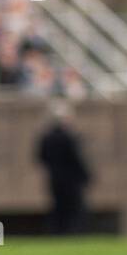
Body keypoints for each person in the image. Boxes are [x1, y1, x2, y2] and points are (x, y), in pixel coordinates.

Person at [36, 100, 92, 235]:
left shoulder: (46, 137)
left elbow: (40, 157)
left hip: (54, 178)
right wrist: (86, 175)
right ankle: (73, 233)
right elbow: (77, 158)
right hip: (71, 180)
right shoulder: (69, 137)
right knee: (74, 208)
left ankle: (57, 233)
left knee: (58, 208)